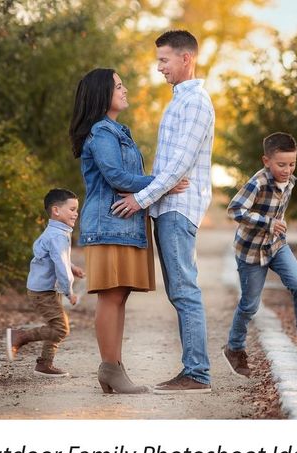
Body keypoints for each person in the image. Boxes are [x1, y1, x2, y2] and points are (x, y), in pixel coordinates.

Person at [70, 69, 187, 394]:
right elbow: (116, 177)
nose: (124, 89)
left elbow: (124, 177)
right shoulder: (102, 132)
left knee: (118, 295)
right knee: (111, 296)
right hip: (109, 224)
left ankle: (114, 369)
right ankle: (110, 369)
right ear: (101, 94)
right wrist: (163, 183)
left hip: (122, 223)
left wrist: (155, 185)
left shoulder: (116, 131)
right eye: (118, 86)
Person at [112, 30, 215, 393]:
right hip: (167, 206)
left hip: (177, 209)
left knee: (184, 291)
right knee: (180, 290)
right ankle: (195, 370)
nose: (159, 68)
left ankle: (197, 373)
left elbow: (178, 168)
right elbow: (167, 170)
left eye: (164, 60)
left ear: (186, 58)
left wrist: (139, 199)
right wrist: (155, 189)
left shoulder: (195, 104)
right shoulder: (178, 101)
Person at [222, 133, 297, 379]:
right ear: (266, 161)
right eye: (281, 164)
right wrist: (268, 223)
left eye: (292, 164)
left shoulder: (290, 181)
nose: (287, 169)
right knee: (249, 305)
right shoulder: (258, 183)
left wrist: (276, 227)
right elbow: (235, 209)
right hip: (251, 251)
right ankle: (234, 348)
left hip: (276, 246)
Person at [6, 189, 85, 378]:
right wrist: (69, 291)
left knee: (57, 324)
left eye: (77, 210)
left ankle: (44, 364)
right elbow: (60, 264)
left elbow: (60, 258)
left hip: (46, 288)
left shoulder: (56, 232)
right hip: (43, 292)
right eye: (72, 209)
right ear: (56, 211)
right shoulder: (57, 235)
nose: (76, 213)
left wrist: (72, 267)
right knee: (60, 328)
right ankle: (19, 337)